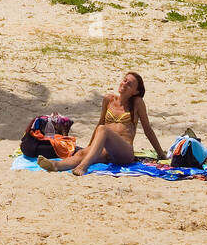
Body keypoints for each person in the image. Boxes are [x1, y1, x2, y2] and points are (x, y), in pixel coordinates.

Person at [37, 71, 166, 175]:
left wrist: (161, 154)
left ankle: (83, 166)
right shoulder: (108, 100)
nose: (124, 84)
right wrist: (89, 147)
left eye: (130, 84)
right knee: (81, 153)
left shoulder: (137, 103)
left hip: (124, 152)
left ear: (136, 92)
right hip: (106, 150)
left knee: (104, 130)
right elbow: (99, 124)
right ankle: (55, 165)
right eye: (124, 80)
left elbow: (147, 129)